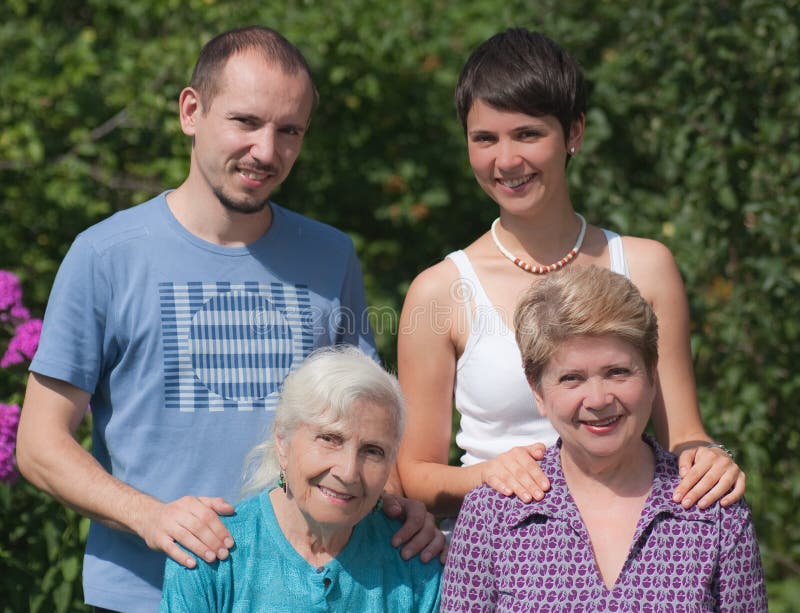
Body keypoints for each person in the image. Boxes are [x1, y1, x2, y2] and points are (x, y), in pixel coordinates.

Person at [15, 26, 443, 613]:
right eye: (246, 122)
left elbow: (364, 428)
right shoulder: (106, 254)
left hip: (301, 594)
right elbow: (39, 444)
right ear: (192, 110)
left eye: (289, 131)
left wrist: (396, 506)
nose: (267, 151)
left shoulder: (329, 256)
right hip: (144, 593)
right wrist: (151, 516)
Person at [396, 28, 744, 518]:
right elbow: (412, 474)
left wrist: (712, 461)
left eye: (528, 134)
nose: (506, 160)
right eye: (485, 139)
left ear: (573, 133)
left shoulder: (647, 268)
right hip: (499, 561)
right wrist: (490, 474)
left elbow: (683, 435)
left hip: (630, 550)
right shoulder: (439, 291)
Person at [440, 265, 767, 610]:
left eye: (618, 372)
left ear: (652, 375)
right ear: (537, 391)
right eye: (572, 378)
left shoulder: (714, 511)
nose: (598, 399)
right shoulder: (491, 515)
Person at [160, 346, 443, 611]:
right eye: (330, 438)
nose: (347, 472)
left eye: (372, 451)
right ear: (283, 440)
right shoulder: (212, 556)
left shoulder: (416, 565)